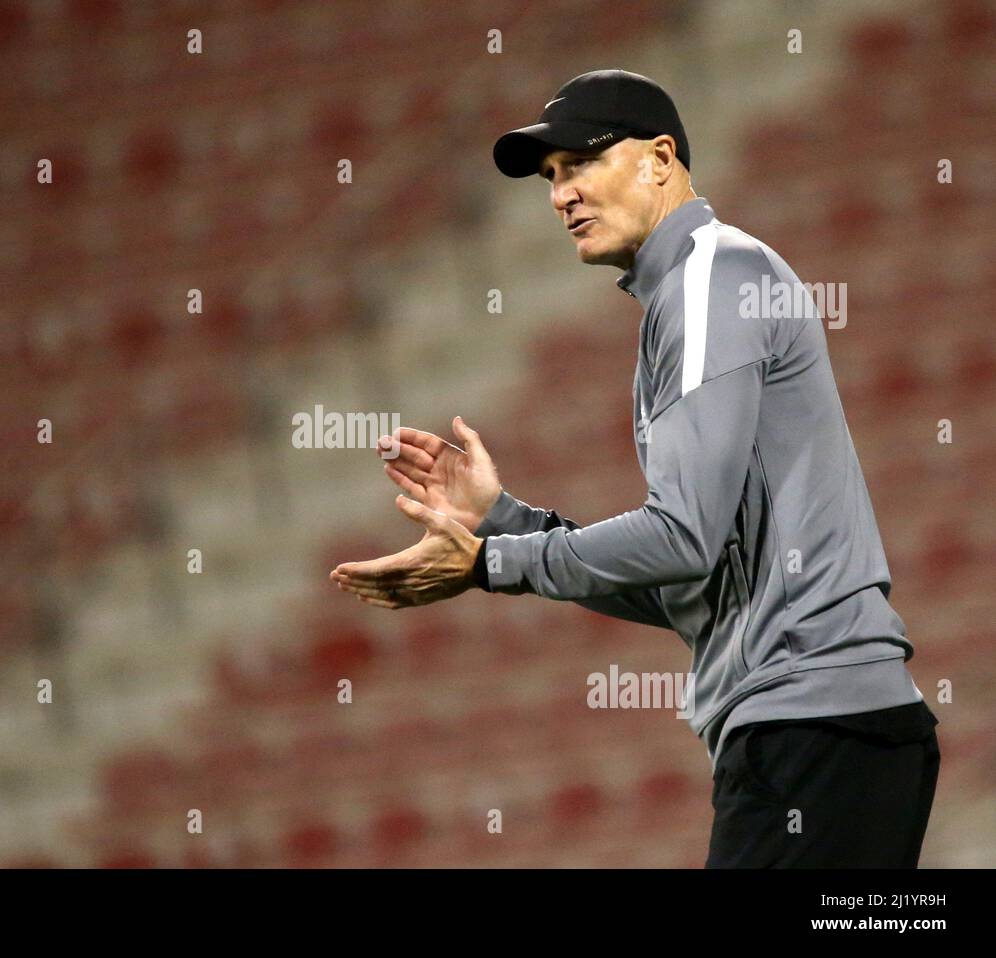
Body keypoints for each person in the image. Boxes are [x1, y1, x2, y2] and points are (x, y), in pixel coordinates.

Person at [329, 70, 940, 868]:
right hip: (806, 735)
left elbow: (683, 537)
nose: (560, 195)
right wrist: (505, 522)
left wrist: (494, 563)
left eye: (579, 162)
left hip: (817, 730)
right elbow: (697, 580)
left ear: (659, 158)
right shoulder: (683, 298)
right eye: (550, 178)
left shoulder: (712, 278)